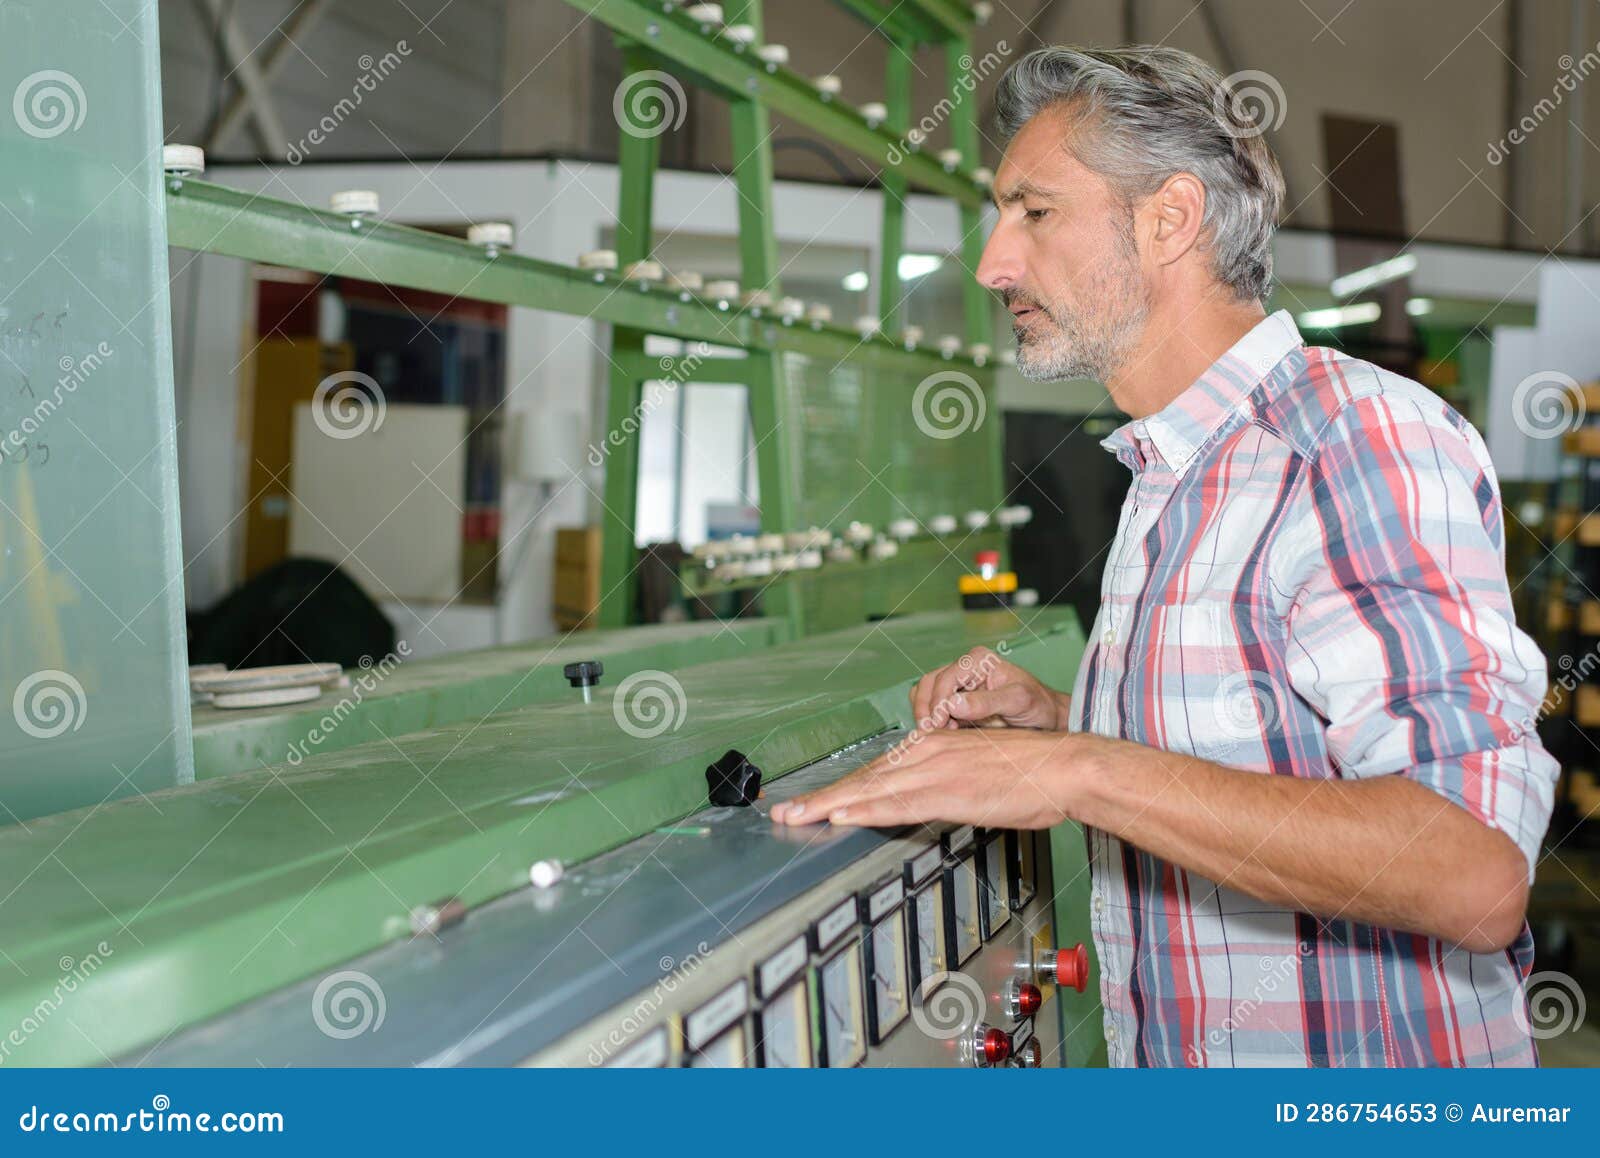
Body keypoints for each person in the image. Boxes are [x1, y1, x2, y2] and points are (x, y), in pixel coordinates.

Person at [773, 46, 1559, 1067]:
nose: (992, 264)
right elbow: (1278, 740)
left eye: (1034, 211)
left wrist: (1076, 768)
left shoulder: (1347, 440)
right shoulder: (1174, 470)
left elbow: (1469, 871)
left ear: (1170, 218)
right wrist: (1068, 720)